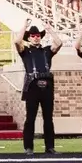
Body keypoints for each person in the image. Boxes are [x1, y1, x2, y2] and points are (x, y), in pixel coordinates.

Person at [15, 23, 63, 154]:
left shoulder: (46, 51)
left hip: (46, 85)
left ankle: (50, 146)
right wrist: (24, 26)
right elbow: (17, 41)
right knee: (31, 117)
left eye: (37, 36)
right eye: (33, 36)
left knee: (48, 118)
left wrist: (49, 30)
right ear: (29, 38)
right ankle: (28, 147)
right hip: (33, 85)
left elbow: (59, 43)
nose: (35, 38)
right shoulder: (26, 51)